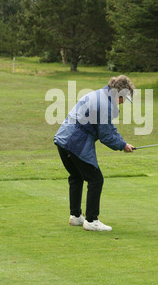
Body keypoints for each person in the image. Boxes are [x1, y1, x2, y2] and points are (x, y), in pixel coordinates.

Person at [54, 75, 135, 231]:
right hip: (75, 142)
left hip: (63, 138)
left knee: (77, 176)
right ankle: (91, 220)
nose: (123, 102)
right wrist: (122, 145)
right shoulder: (105, 104)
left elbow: (108, 128)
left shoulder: (100, 94)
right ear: (119, 94)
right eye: (123, 99)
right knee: (96, 179)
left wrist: (123, 143)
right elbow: (105, 135)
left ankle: (76, 216)